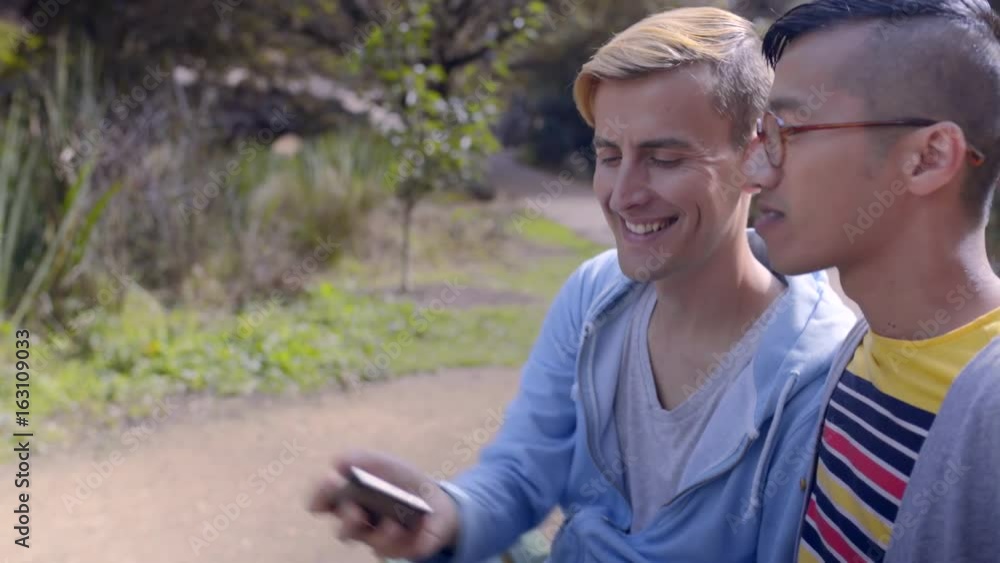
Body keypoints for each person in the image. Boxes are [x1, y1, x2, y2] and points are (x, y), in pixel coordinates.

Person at [308, 7, 857, 562]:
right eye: (609, 156)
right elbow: (522, 474)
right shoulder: (594, 294)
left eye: (664, 159)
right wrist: (444, 513)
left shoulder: (820, 379)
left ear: (756, 155)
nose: (623, 194)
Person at [747, 1, 1000, 561]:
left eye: (786, 131)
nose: (754, 170)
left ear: (929, 157)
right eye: (762, 133)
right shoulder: (861, 348)